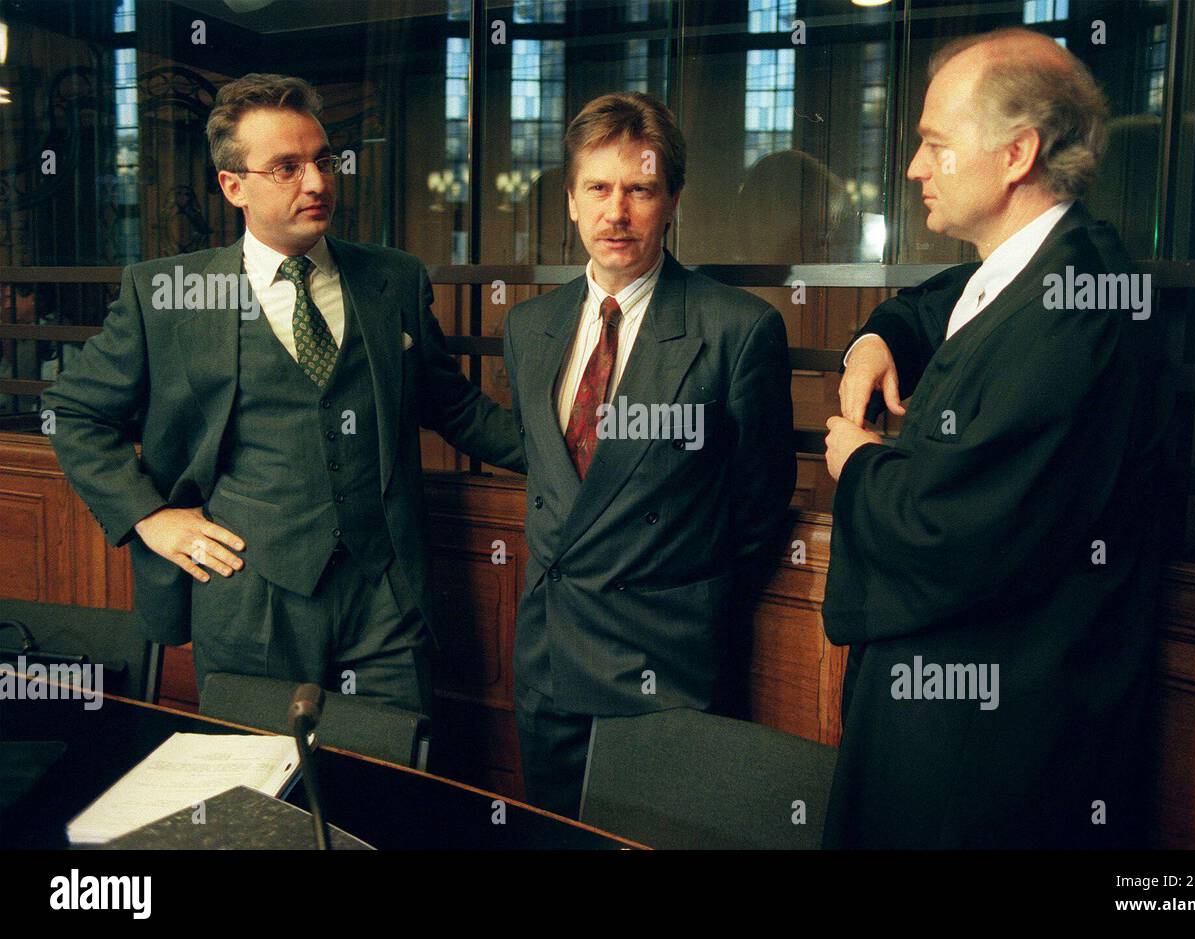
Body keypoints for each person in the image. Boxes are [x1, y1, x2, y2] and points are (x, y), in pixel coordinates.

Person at [41, 74, 524, 717]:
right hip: (249, 599)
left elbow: (453, 406)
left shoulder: (392, 279)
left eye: (323, 161)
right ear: (233, 186)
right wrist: (147, 516)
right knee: (258, 800)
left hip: (386, 596)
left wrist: (574, 453)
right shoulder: (166, 294)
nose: (319, 183)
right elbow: (72, 412)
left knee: (396, 791)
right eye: (287, 168)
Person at [822, 28, 1167, 848]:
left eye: (935, 145)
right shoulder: (1034, 263)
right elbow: (939, 303)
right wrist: (876, 339)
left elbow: (956, 530)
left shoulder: (1077, 306)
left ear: (1017, 154)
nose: (913, 168)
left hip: (991, 753)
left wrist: (858, 462)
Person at [502, 92, 795, 818]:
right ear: (570, 200)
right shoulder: (529, 326)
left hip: (666, 666)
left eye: (640, 189)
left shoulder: (738, 329)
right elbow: (556, 474)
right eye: (598, 188)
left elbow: (758, 509)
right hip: (548, 662)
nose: (617, 212)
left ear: (671, 199)